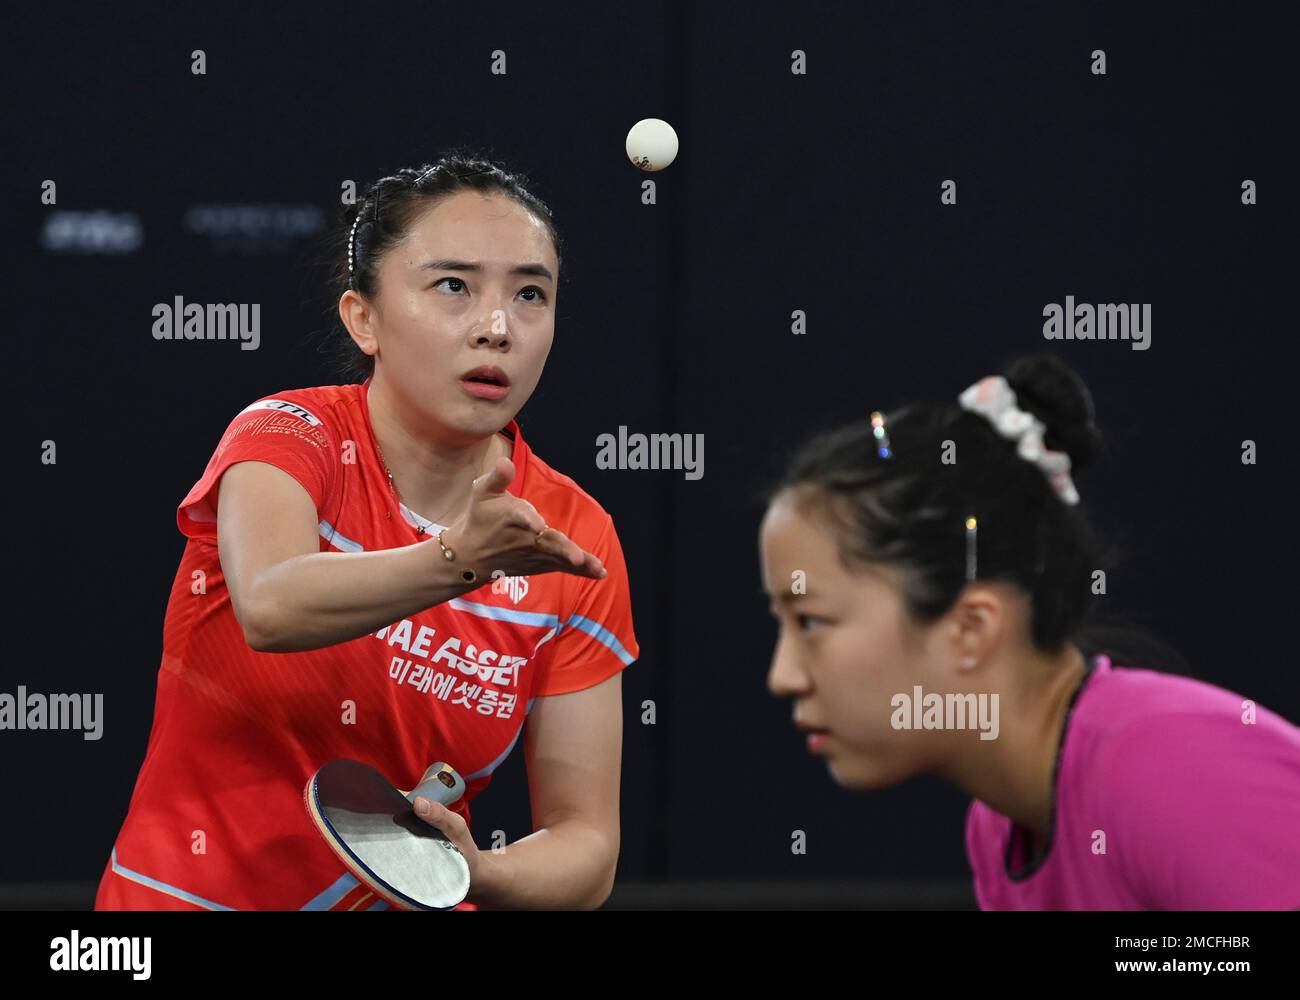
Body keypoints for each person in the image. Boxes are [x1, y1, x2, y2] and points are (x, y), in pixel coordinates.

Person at [96, 153, 639, 911]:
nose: (497, 327)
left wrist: (472, 872)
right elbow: (273, 606)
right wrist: (460, 560)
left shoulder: (574, 532)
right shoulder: (288, 437)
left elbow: (587, 849)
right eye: (454, 286)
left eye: (530, 295)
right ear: (365, 318)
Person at [758, 354, 1300, 909]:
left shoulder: (1164, 770)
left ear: (971, 628)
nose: (783, 676)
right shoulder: (999, 828)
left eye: (811, 622)